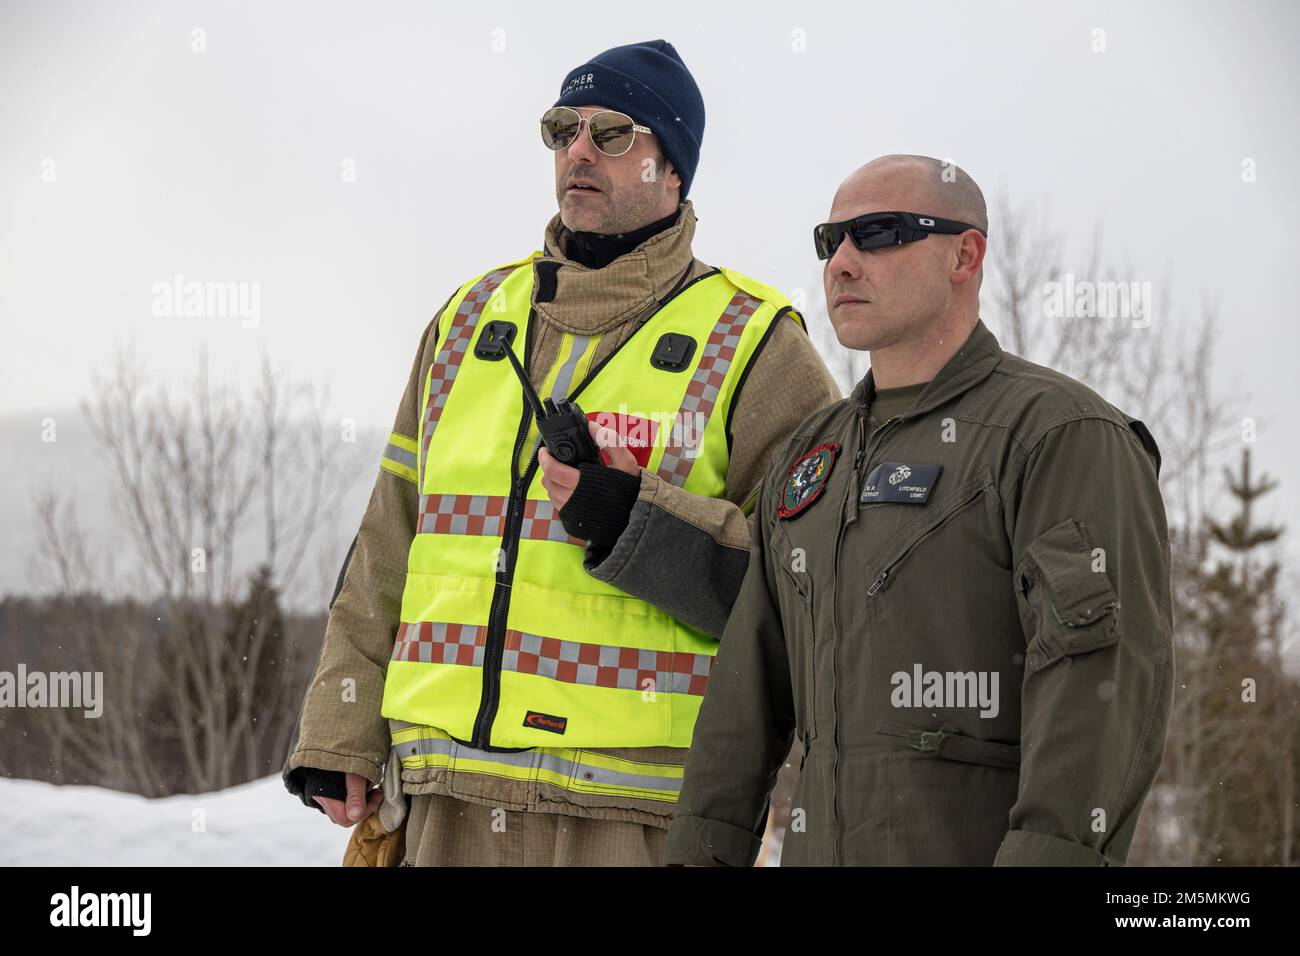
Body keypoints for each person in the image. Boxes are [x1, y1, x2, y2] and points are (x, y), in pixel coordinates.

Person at [281, 39, 841, 866]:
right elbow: (386, 544)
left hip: (635, 813)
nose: (578, 151)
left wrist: (637, 521)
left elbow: (808, 588)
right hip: (444, 798)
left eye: (611, 134)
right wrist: (341, 725)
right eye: (561, 129)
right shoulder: (468, 320)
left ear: (673, 169)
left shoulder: (755, 342)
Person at [664, 154, 1174, 866]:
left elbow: (1098, 686)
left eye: (879, 233)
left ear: (965, 255)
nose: (842, 263)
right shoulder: (810, 457)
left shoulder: (1058, 435)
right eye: (830, 240)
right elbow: (743, 701)